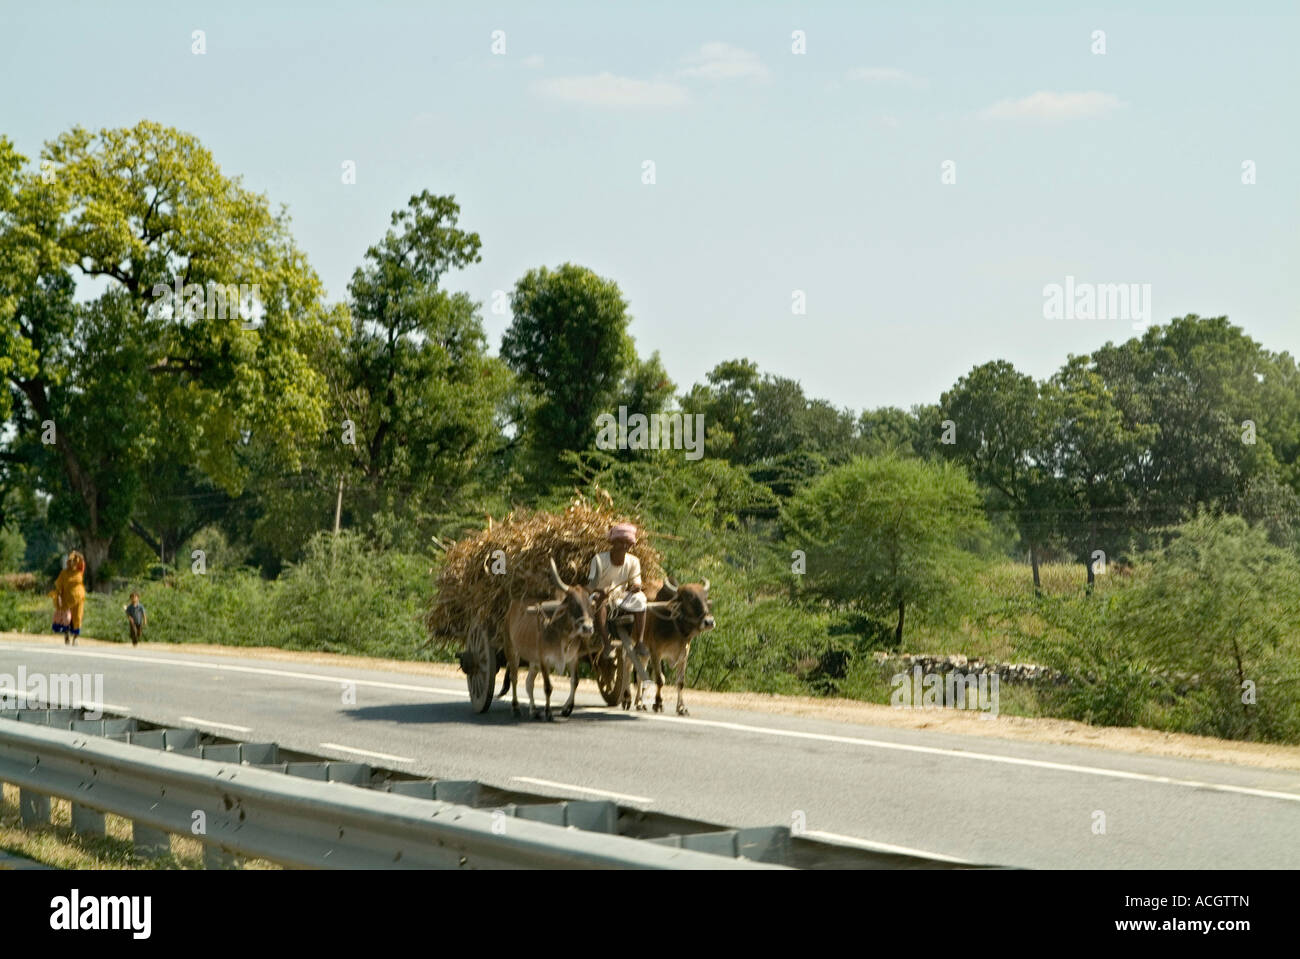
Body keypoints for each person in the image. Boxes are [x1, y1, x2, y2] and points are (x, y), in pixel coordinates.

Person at [588, 523, 653, 696]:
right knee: (599, 604)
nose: (624, 546)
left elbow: (636, 582)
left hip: (622, 598)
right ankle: (606, 643)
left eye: (628, 543)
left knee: (641, 599)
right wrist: (599, 591)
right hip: (601, 596)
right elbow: (591, 586)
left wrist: (636, 587)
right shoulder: (599, 560)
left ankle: (639, 642)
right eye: (621, 542)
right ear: (613, 542)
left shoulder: (634, 561)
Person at [51, 551, 87, 646]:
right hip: (66, 599)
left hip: (79, 599)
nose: (73, 563)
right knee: (67, 619)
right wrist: (58, 596)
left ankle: (75, 638)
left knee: (78, 618)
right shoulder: (64, 573)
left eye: (75, 561)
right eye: (71, 561)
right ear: (67, 563)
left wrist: (76, 554)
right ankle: (66, 635)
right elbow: (59, 586)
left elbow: (82, 560)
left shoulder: (79, 571)